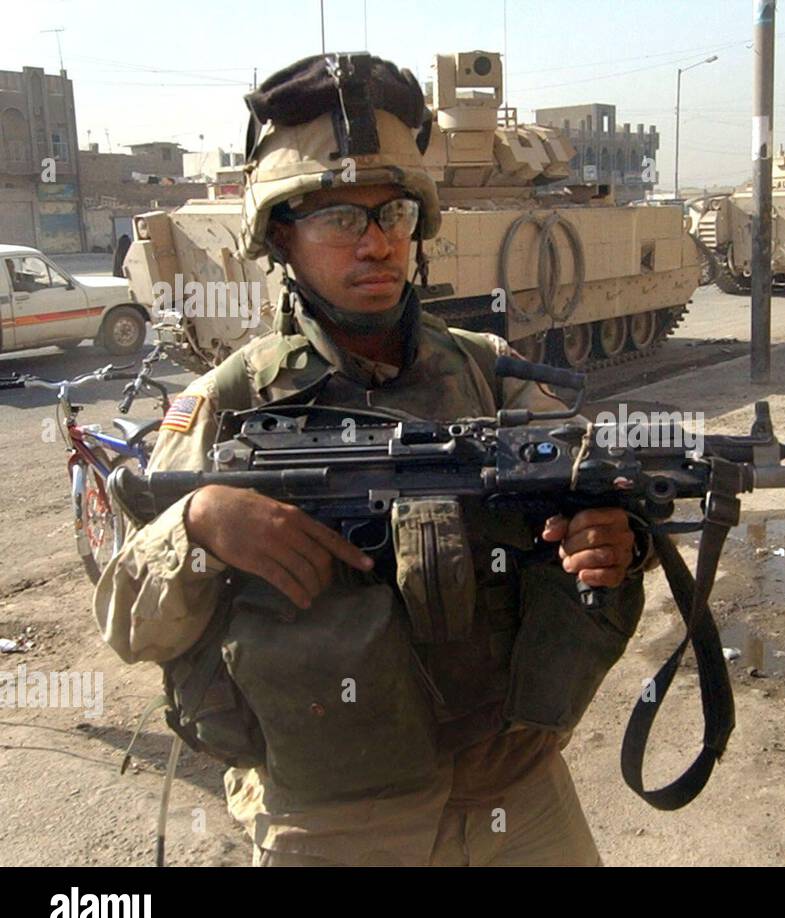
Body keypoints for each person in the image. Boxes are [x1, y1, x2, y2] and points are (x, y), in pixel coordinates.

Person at [94, 53, 651, 866]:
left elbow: (593, 493)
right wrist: (201, 524)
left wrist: (613, 539)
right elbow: (126, 622)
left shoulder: (486, 372)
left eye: (392, 214)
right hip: (330, 820)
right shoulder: (230, 400)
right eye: (341, 219)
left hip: (512, 794)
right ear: (282, 233)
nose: (377, 244)